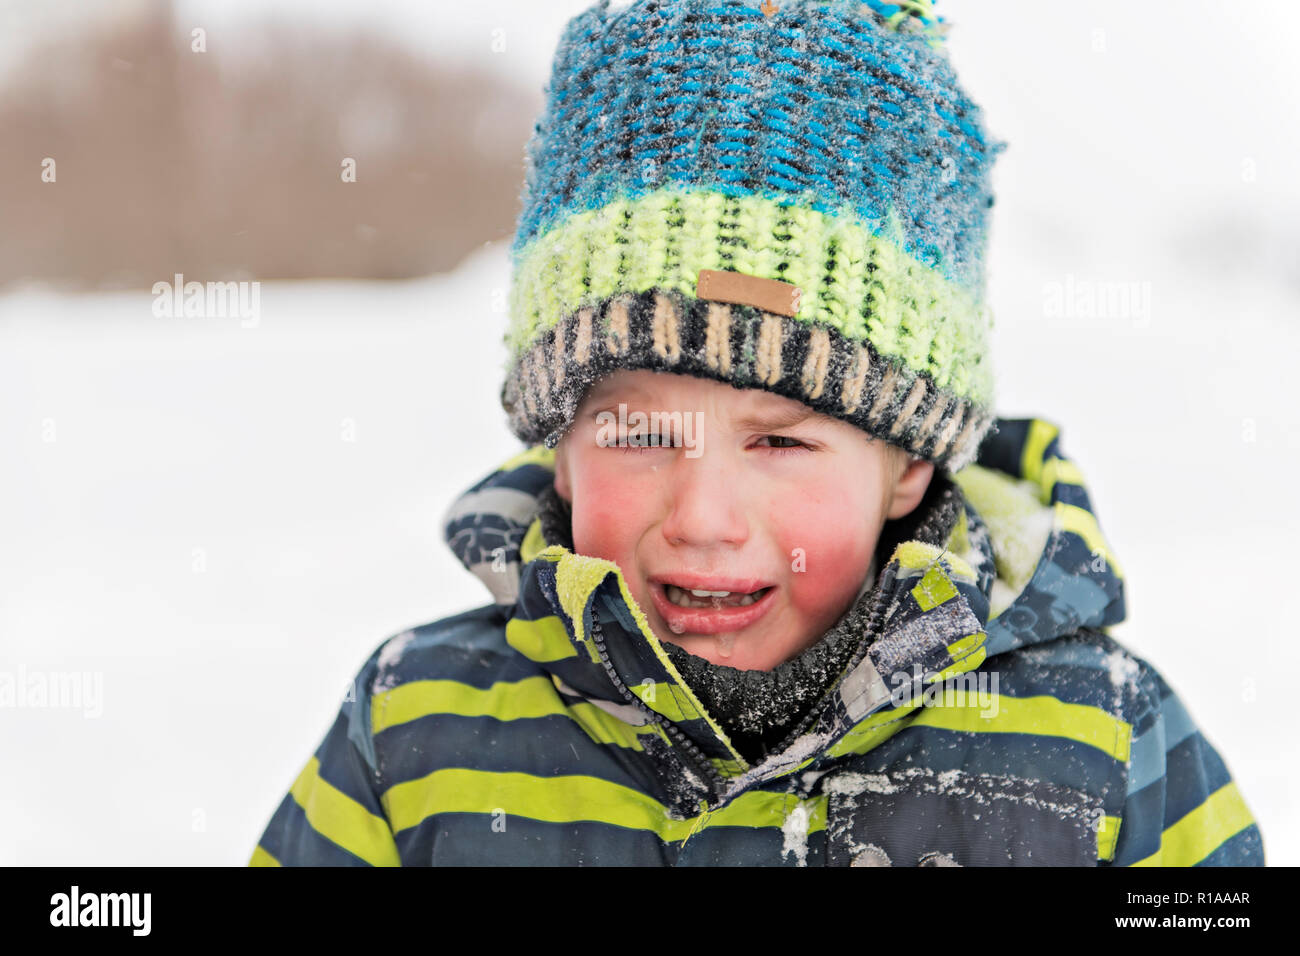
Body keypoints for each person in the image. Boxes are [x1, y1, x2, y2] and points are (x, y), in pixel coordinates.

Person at [249, 0, 1263, 866]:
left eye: (780, 442)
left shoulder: (1097, 738)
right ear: (559, 440)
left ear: (907, 462)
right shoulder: (420, 727)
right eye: (641, 434)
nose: (703, 515)